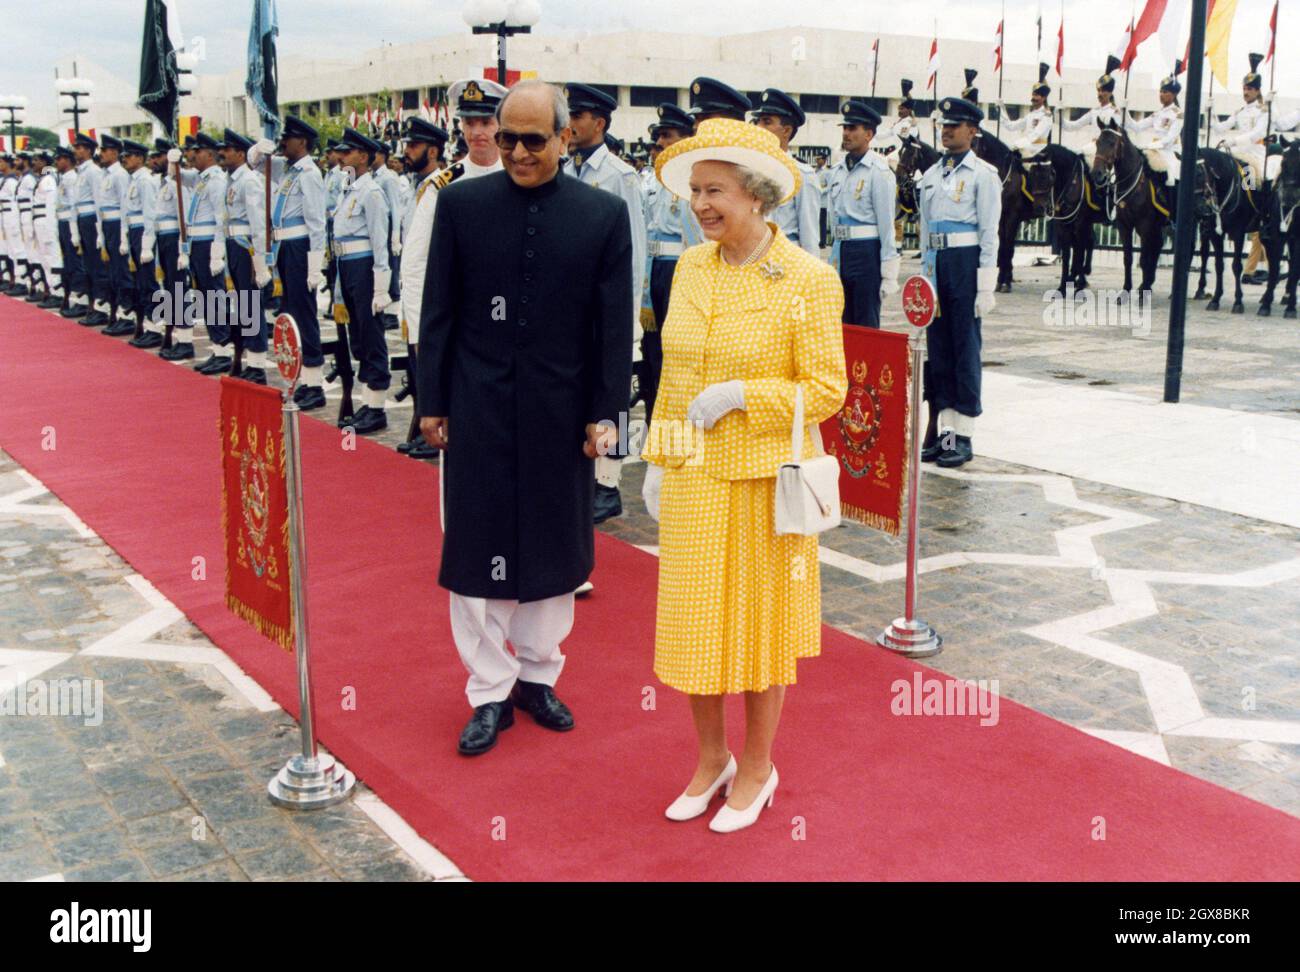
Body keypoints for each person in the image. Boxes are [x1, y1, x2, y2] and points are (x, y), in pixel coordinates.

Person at [642, 118, 847, 833]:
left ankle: (757, 766)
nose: (700, 204)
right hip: (697, 475)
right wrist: (660, 458)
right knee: (695, 627)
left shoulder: (808, 281)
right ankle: (710, 760)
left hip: (767, 482)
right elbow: (674, 370)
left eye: (715, 191)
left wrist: (744, 398)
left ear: (756, 196)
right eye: (694, 191)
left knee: (759, 634)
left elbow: (827, 389)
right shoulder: (691, 267)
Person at [416, 79, 632, 757]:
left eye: (532, 140)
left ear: (564, 139)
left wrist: (606, 412)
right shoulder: (459, 204)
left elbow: (612, 326)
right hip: (477, 408)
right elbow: (438, 312)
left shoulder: (602, 214)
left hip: (560, 413)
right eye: (505, 137)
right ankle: (488, 690)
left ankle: (538, 677)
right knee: (475, 551)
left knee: (555, 548)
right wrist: (431, 403)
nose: (515, 151)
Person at [563, 82, 647, 525]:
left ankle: (609, 483)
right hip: (573, 302)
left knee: (610, 388)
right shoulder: (567, 169)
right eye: (569, 116)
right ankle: (585, 472)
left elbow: (633, 248)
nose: (571, 124)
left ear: (600, 122)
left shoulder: (619, 175)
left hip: (608, 301)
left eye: (579, 117)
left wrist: (629, 314)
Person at [917, 97, 1002, 469]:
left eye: (956, 124)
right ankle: (942, 436)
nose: (947, 130)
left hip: (966, 266)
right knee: (940, 353)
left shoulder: (983, 174)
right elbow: (924, 232)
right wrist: (923, 276)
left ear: (973, 130)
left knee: (964, 349)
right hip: (937, 266)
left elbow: (989, 234)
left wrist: (985, 286)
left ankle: (960, 437)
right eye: (944, 124)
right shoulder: (933, 175)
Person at [247, 115, 328, 409]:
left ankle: (315, 382)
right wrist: (259, 148)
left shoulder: (309, 173)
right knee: (290, 313)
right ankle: (303, 380)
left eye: (287, 139)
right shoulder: (288, 170)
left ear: (302, 142)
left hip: (299, 246)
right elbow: (253, 163)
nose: (282, 143)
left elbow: (317, 222)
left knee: (303, 313)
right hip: (283, 247)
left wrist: (314, 264)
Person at [396, 116, 452, 460]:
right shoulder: (424, 187)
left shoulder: (444, 187)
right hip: (418, 287)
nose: (406, 151)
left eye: (413, 146)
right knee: (419, 366)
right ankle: (423, 424)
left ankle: (610, 476)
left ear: (432, 150)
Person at [330, 127, 392, 434]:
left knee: (370, 333)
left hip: (365, 266)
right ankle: (367, 402)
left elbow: (380, 240)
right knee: (357, 335)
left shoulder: (371, 192)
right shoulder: (349, 188)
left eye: (348, 152)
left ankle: (377, 405)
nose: (341, 156)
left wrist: (381, 285)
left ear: (364, 157)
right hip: (346, 265)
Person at [641, 102, 700, 424]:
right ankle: (654, 421)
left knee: (677, 352)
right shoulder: (651, 180)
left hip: (680, 268)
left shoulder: (692, 179)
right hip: (654, 271)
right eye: (659, 136)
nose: (661, 143)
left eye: (668, 136)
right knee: (652, 352)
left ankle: (679, 422)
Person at [828, 99, 898, 328]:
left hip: (866, 252)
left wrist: (888, 272)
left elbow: (887, 223)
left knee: (865, 324)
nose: (846, 133)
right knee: (839, 323)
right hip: (840, 251)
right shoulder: (837, 170)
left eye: (853, 128)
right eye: (845, 128)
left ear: (869, 134)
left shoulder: (879, 171)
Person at [171, 132, 228, 371]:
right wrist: (171, 160)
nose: (191, 155)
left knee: (214, 296)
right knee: (204, 296)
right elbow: (177, 177)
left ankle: (223, 350)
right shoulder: (201, 178)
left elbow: (220, 218)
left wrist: (217, 250)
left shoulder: (215, 180)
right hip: (196, 243)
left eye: (196, 151)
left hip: (208, 244)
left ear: (208, 153)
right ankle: (217, 347)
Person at [219, 130, 271, 383]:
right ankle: (247, 357)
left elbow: (257, 221)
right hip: (232, 243)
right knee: (241, 304)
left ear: (240, 153)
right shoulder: (233, 179)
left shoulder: (248, 180)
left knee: (250, 303)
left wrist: (260, 260)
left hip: (245, 245)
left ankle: (258, 362)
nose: (223, 153)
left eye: (228, 149)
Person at [751, 87, 822, 258]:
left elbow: (809, 235)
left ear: (787, 130)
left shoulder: (801, 174)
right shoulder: (750, 170)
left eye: (766, 122)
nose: (759, 128)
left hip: (786, 258)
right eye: (757, 122)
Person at [1212, 54, 1268, 190]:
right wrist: (1210, 113)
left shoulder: (1264, 111)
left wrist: (1233, 141)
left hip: (1254, 153)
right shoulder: (1240, 111)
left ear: (1257, 91)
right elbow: (1219, 128)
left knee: (1250, 185)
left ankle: (1257, 209)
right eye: (1244, 89)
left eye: (1249, 89)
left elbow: (1256, 134)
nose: (1246, 92)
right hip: (1237, 152)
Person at [118, 140, 156, 338]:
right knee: (140, 282)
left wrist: (147, 245)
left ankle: (154, 327)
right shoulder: (132, 180)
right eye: (124, 156)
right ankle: (145, 325)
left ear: (140, 158)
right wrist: (125, 237)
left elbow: (150, 214)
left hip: (143, 232)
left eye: (129, 155)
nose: (125, 159)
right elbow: (126, 212)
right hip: (133, 231)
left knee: (149, 282)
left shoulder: (145, 181)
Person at [1126, 69, 1184, 195]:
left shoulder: (1178, 114)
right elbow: (1137, 127)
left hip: (1171, 151)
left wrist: (1152, 145)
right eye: (1161, 91)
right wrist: (1126, 113)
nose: (1161, 94)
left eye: (1165, 92)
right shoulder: (1158, 114)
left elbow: (1170, 138)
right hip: (1155, 150)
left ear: (1173, 95)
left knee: (1170, 177)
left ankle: (1170, 203)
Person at [1064, 57, 1124, 163]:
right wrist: (1058, 116)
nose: (1100, 94)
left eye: (1104, 91)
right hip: (1092, 149)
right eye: (1099, 90)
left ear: (1110, 93)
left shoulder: (1115, 112)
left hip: (1105, 154)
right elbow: (1073, 126)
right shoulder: (1094, 112)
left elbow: (1115, 136)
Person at [54, 146, 87, 318]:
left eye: (59, 159)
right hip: (63, 222)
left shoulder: (72, 178)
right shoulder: (64, 178)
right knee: (68, 262)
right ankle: (72, 298)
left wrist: (74, 230)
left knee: (75, 263)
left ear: (67, 160)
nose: (56, 162)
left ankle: (81, 299)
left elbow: (74, 204)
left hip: (69, 222)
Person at [998, 65, 1055, 158]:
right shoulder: (1030, 115)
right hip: (1027, 147)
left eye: (1036, 95)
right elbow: (1011, 126)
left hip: (1038, 149)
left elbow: (1036, 135)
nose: (1033, 98)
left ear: (1044, 98)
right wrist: (1001, 109)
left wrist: (1019, 144)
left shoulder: (1046, 115)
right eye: (1033, 95)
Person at [31, 151, 63, 308]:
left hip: (46, 221)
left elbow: (51, 205)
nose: (34, 163)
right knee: (44, 257)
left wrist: (51, 228)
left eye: (36, 160)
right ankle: (52, 290)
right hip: (39, 221)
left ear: (44, 162)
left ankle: (58, 292)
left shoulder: (49, 180)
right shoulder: (43, 179)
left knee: (52, 257)